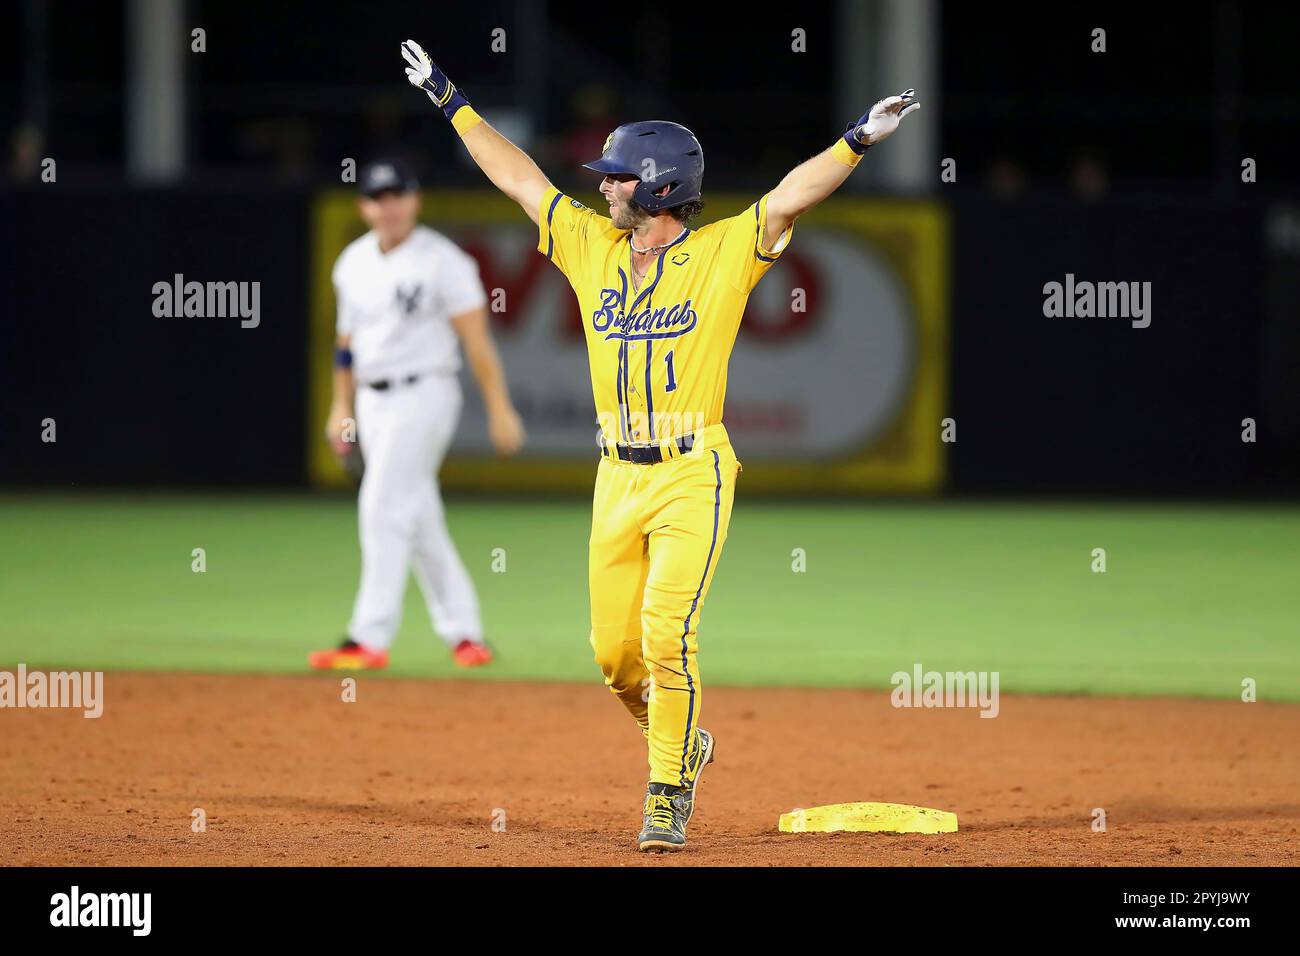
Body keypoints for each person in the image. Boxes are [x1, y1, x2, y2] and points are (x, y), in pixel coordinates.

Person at [401, 39, 917, 851]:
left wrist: (856, 139)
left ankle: (667, 789)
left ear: (659, 186)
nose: (603, 185)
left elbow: (788, 199)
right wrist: (449, 97)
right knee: (614, 656)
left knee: (667, 634)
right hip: (616, 477)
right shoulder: (589, 247)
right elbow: (517, 176)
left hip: (693, 471)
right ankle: (684, 741)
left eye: (616, 175)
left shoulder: (719, 255)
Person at [309, 158, 525, 671]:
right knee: (418, 516)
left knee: (382, 505)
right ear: (364, 206)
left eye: (398, 195)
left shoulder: (443, 261)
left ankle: (368, 637)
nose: (389, 206)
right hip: (372, 399)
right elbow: (345, 348)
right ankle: (466, 635)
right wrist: (341, 406)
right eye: (379, 197)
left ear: (415, 200)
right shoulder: (353, 263)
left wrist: (500, 408)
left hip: (425, 394)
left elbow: (476, 342)